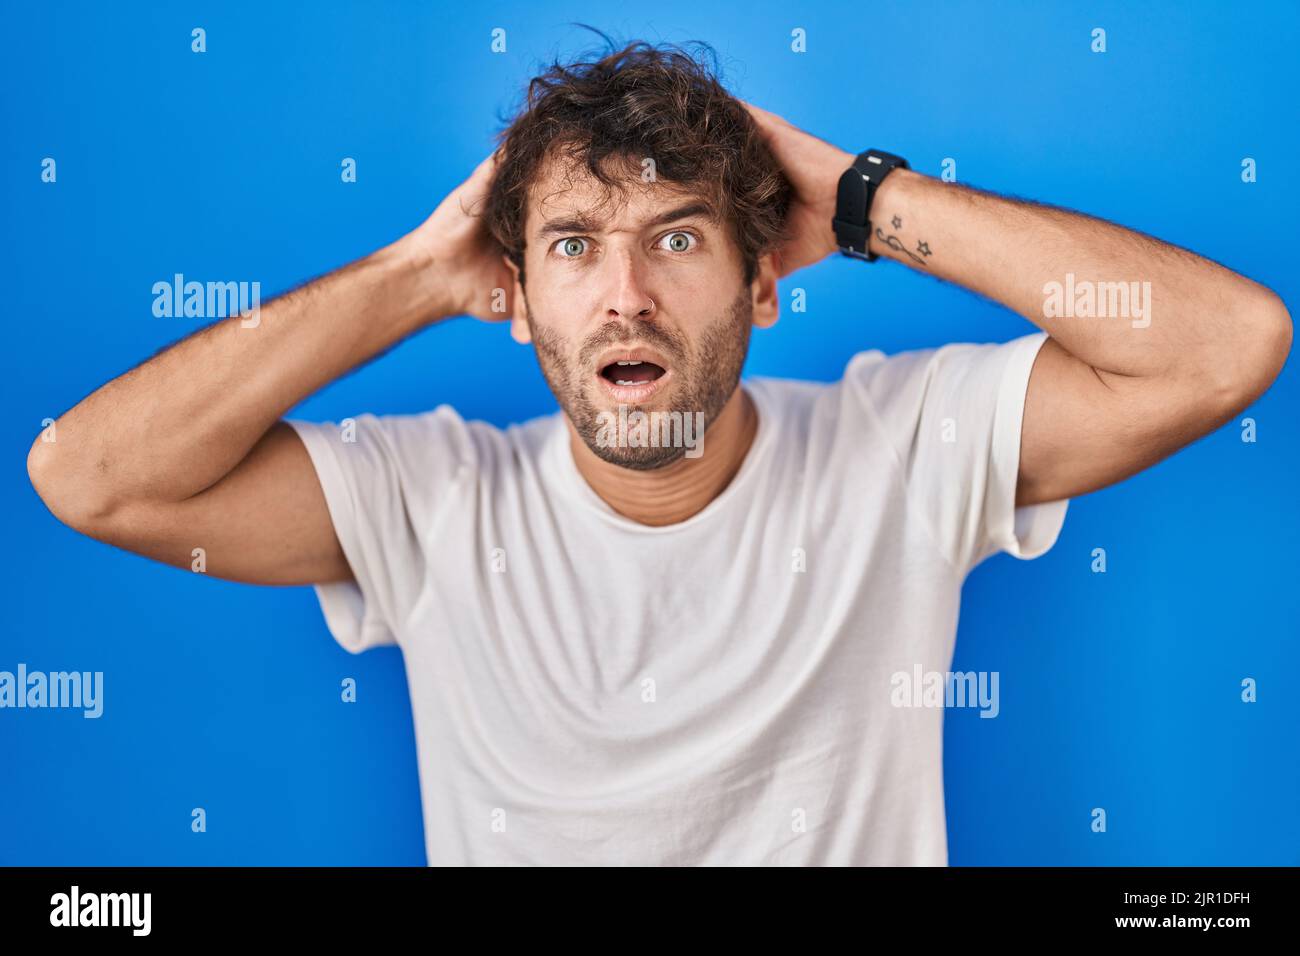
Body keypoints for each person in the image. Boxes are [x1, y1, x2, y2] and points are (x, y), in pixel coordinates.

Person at [26, 39, 1291, 865]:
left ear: (763, 282)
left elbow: (1224, 347)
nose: (625, 295)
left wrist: (861, 197)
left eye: (678, 239)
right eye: (573, 246)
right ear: (516, 297)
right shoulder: (429, 500)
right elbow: (88, 475)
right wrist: (416, 274)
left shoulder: (904, 449)